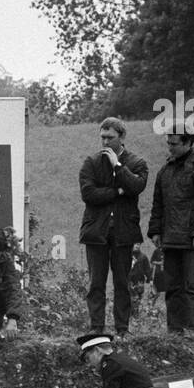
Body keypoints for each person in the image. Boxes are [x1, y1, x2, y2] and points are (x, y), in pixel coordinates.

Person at [79, 117, 148, 339]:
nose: (105, 142)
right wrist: (116, 192)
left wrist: (117, 166)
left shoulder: (136, 162)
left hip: (123, 232)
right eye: (103, 137)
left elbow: (136, 186)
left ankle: (122, 328)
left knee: (122, 282)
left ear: (122, 137)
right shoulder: (91, 162)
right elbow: (88, 194)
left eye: (110, 137)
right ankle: (96, 327)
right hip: (96, 232)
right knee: (96, 283)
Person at [148, 131, 194, 333]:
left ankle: (193, 333)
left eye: (174, 143)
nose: (170, 147)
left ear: (188, 143)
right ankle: (175, 332)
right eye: (168, 143)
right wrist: (155, 231)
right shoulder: (165, 170)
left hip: (192, 241)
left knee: (192, 288)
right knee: (172, 289)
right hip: (170, 240)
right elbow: (158, 203)